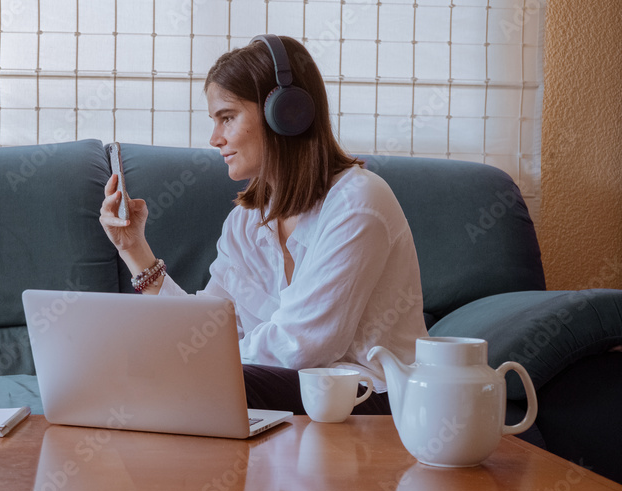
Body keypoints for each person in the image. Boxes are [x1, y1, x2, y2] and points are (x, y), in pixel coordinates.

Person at [98, 35, 429, 415]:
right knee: (150, 370)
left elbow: (304, 345)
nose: (214, 138)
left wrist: (195, 365)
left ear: (286, 113)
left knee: (205, 384)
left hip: (369, 395)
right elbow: (209, 328)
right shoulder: (246, 221)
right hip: (295, 388)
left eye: (227, 117)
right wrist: (132, 248)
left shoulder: (359, 203)